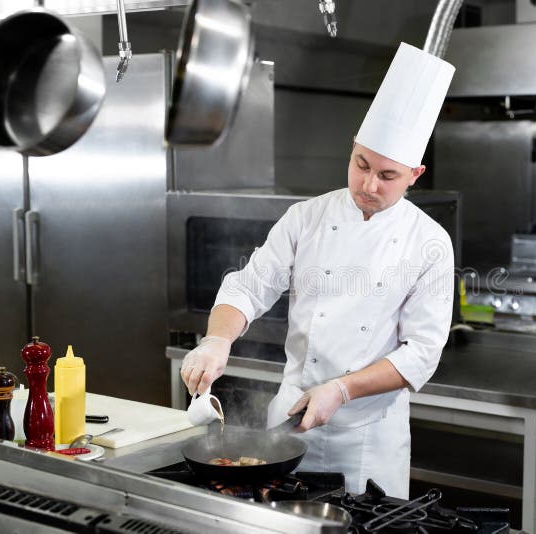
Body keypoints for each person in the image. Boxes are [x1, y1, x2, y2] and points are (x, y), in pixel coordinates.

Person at [180, 42, 456, 498]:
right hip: (287, 426)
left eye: (387, 176)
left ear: (415, 174)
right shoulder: (305, 217)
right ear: (352, 150)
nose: (368, 184)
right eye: (361, 164)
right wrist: (216, 340)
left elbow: (421, 353)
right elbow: (249, 288)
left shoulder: (429, 242)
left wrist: (343, 390)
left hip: (368, 438)